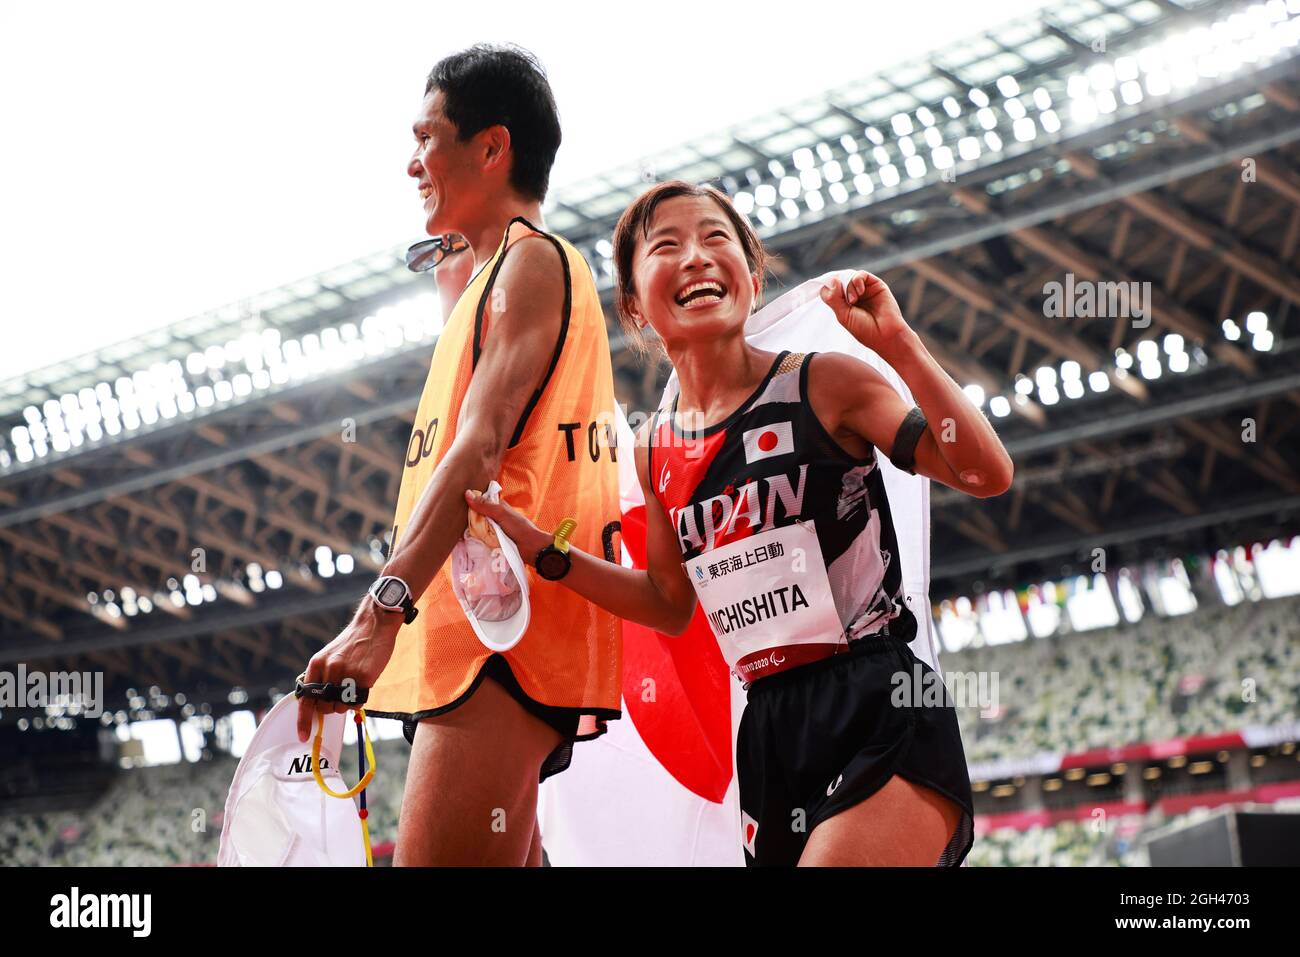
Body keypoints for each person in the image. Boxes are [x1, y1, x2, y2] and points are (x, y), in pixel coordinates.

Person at [467, 179, 1014, 866]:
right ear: (634, 305)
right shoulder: (657, 448)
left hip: (879, 706)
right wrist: (550, 555)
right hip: (768, 730)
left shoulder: (828, 384)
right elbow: (667, 604)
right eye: (667, 246)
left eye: (715, 238)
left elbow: (984, 472)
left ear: (752, 277)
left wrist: (898, 345)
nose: (696, 256)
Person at [295, 44, 623, 867]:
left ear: (491, 147)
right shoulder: (491, 279)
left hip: (497, 643)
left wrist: (376, 618)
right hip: (480, 638)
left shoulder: (533, 261)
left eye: (426, 136)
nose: (412, 163)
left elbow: (477, 452)